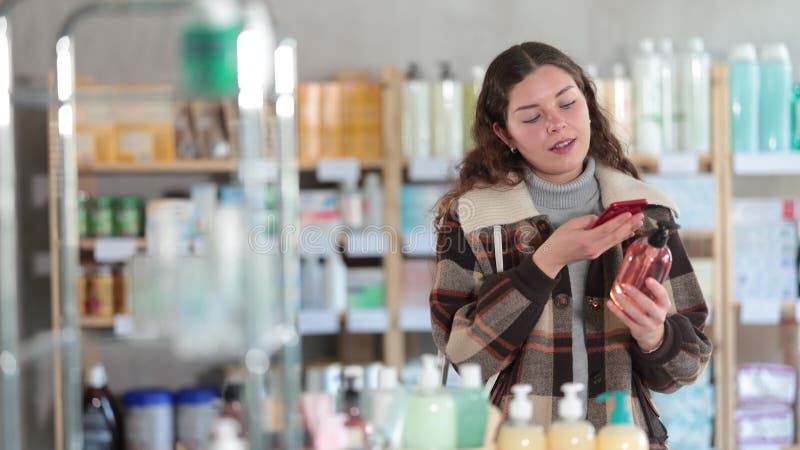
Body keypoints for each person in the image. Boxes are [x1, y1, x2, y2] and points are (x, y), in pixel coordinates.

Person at [429, 42, 711, 448]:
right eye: (531, 117)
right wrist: (544, 263)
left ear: (589, 104)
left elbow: (688, 366)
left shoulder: (648, 214)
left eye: (567, 103)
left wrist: (657, 336)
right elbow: (466, 359)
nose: (557, 124)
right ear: (504, 133)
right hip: (522, 439)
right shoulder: (474, 219)